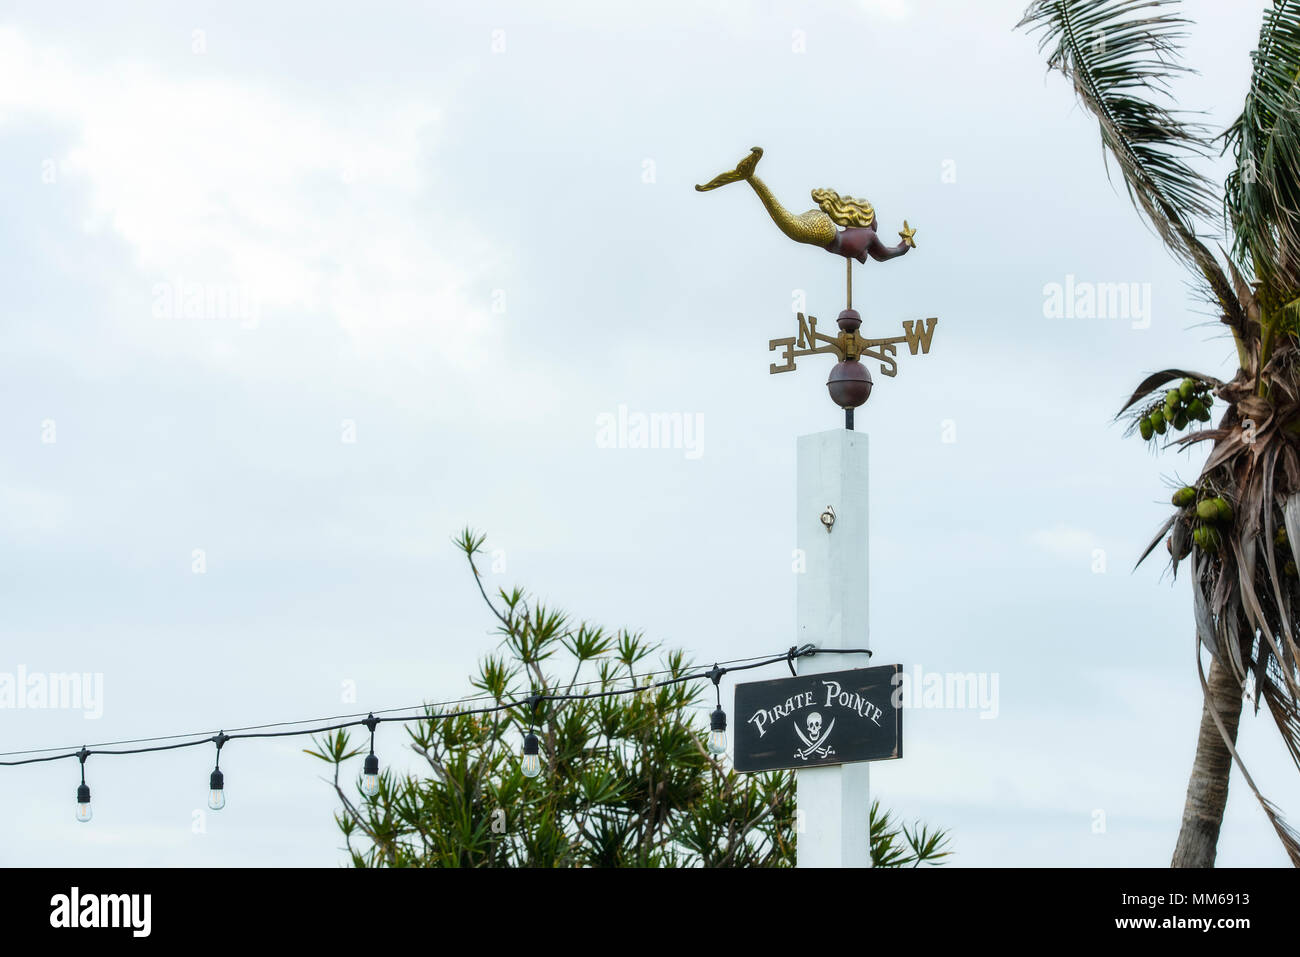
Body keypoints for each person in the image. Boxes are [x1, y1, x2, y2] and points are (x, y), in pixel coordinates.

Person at [695, 147, 916, 264]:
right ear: (869, 218)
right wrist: (905, 243)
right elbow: (885, 254)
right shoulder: (869, 236)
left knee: (790, 225)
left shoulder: (859, 235)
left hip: (827, 232)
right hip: (826, 233)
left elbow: (865, 256)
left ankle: (752, 178)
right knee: (791, 226)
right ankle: (752, 178)